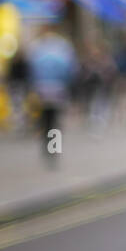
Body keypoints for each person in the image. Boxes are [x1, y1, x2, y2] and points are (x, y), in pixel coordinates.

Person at [28, 25, 77, 165]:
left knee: (45, 119)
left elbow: (31, 70)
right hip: (58, 87)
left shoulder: (36, 47)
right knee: (54, 120)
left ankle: (47, 145)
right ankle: (53, 147)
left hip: (42, 87)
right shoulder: (63, 47)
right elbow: (70, 69)